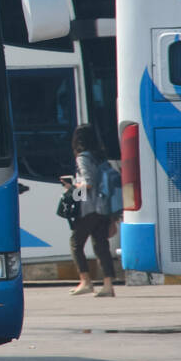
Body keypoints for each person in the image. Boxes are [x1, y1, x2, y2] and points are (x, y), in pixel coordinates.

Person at [66, 124, 119, 297]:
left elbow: (88, 183)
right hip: (103, 207)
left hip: (89, 209)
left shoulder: (82, 157)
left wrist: (72, 187)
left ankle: (86, 281)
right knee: (101, 246)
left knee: (76, 243)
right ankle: (108, 285)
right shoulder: (100, 157)